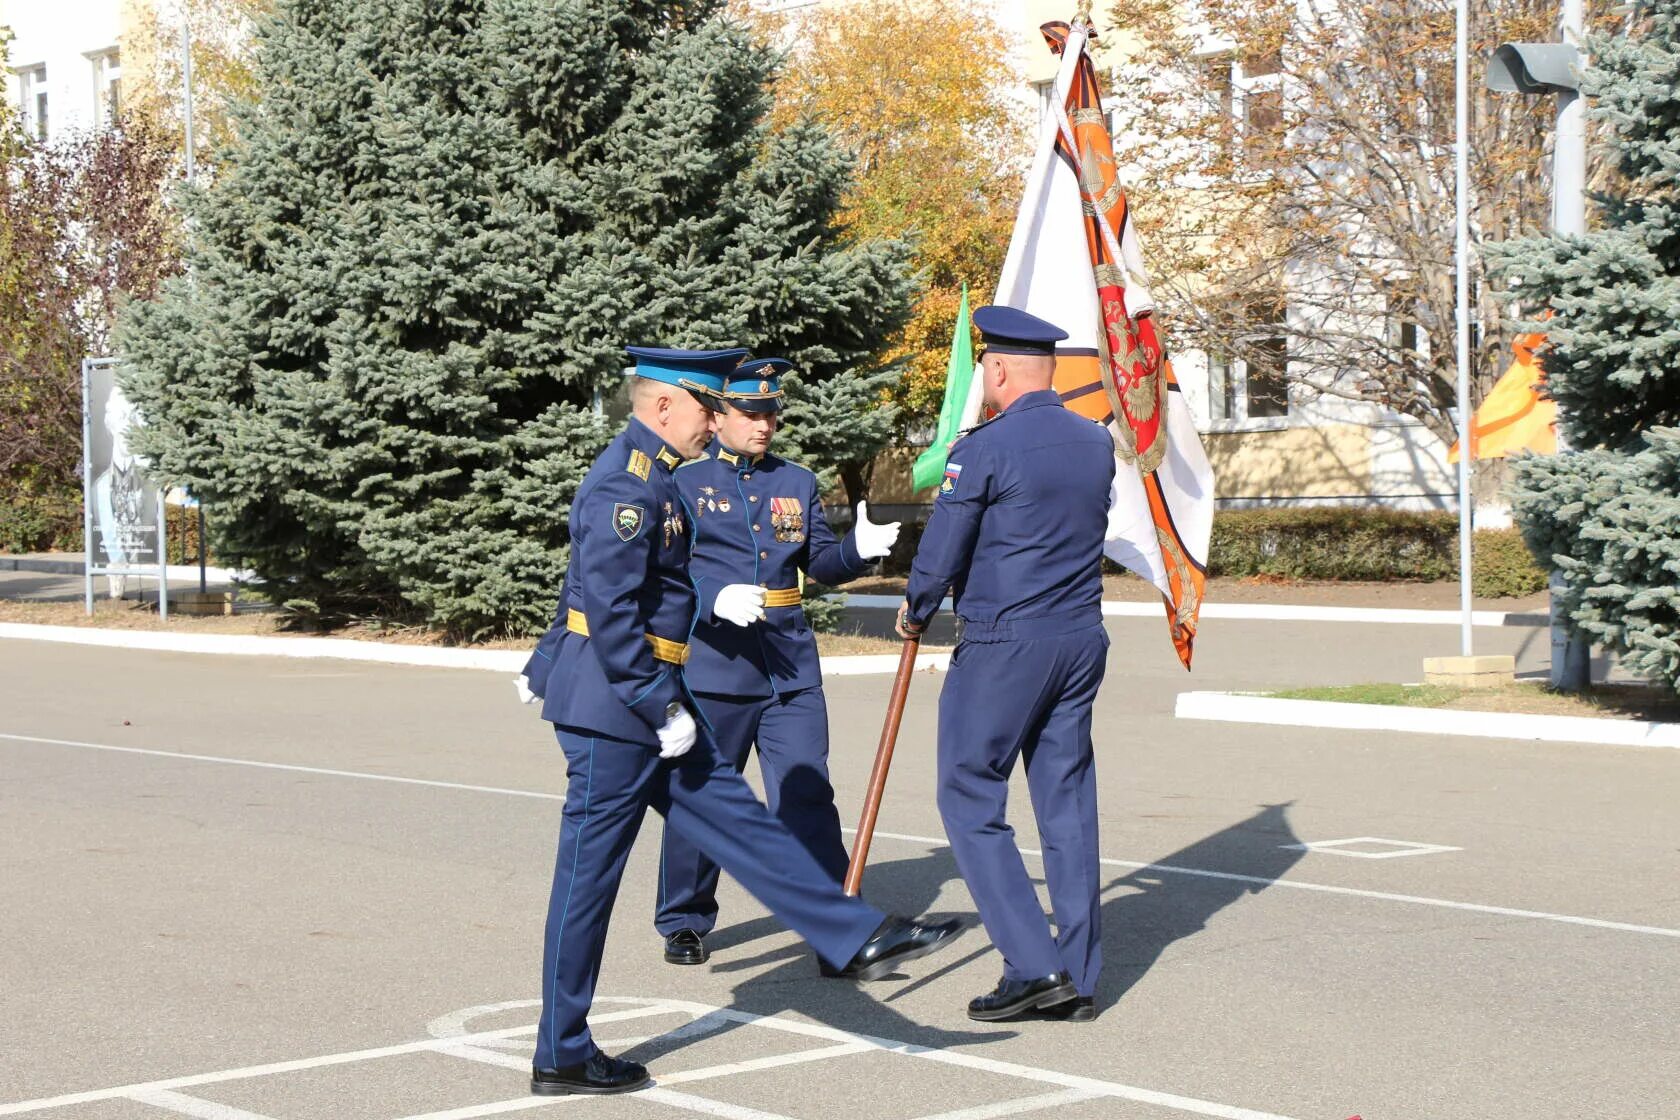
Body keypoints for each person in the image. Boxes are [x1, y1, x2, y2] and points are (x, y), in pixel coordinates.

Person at [519, 346, 960, 1096]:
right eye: (705, 404)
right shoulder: (627, 487)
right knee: (587, 880)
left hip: (648, 693)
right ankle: (561, 1051)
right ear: (663, 407)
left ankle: (855, 935)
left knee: (742, 821)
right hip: (617, 710)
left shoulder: (652, 478)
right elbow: (609, 604)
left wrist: (551, 662)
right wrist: (652, 703)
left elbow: (603, 587)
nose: (714, 419)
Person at [896, 306, 1116, 1024]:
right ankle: (1078, 976)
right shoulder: (1094, 442)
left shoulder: (983, 448)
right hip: (1080, 636)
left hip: (1005, 642)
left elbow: (945, 545)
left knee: (968, 793)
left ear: (995, 371)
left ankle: (1033, 965)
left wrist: (917, 605)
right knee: (1066, 801)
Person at [656, 357, 900, 968]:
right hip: (718, 666)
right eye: (751, 413)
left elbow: (816, 562)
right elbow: (669, 573)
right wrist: (713, 598)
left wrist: (855, 551)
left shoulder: (795, 481)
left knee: (807, 795)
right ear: (718, 417)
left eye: (771, 413)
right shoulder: (684, 484)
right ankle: (685, 917)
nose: (764, 424)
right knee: (706, 799)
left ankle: (837, 928)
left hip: (789, 666)